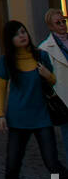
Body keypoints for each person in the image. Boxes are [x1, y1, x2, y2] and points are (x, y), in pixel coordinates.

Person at [0, 18, 68, 179]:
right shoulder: (7, 61)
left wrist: (48, 75)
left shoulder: (41, 56)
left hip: (41, 118)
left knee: (52, 163)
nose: (21, 36)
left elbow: (52, 82)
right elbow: (1, 88)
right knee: (12, 166)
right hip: (18, 120)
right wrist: (0, 115)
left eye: (23, 32)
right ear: (9, 40)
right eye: (16, 34)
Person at [38, 9, 68, 165]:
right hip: (63, 99)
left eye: (64, 21)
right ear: (50, 26)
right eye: (58, 22)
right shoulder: (44, 49)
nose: (62, 25)